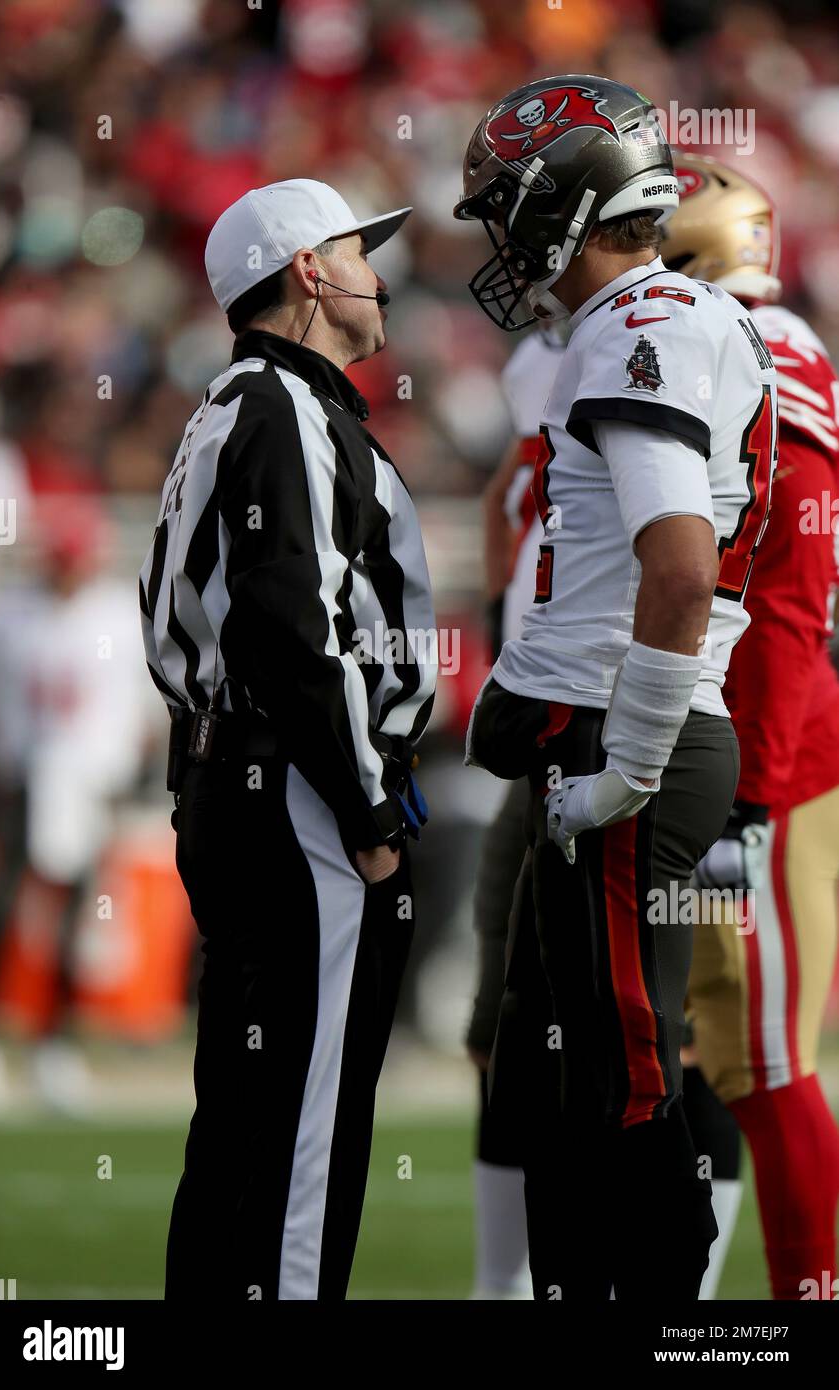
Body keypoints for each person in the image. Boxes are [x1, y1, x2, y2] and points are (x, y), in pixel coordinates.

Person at [454, 75, 777, 1299]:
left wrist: (626, 764)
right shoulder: (639, 317)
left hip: (623, 732)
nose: (498, 234)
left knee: (621, 1074)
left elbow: (680, 572)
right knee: (560, 1072)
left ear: (566, 203)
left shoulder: (645, 321)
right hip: (596, 724)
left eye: (508, 205)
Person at [139, 179, 437, 1301]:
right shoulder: (280, 406)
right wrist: (369, 811)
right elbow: (290, 622)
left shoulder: (232, 406)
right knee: (304, 1138)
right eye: (359, 252)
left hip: (243, 782)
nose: (378, 276)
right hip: (302, 797)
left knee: (240, 1126)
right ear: (309, 271)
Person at [663, 153, 839, 1301]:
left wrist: (748, 793)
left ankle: (806, 1300)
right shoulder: (765, 341)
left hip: (765, 758)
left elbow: (786, 592)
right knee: (715, 1052)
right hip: (737, 745)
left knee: (764, 1060)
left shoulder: (752, 354)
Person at [467, 320, 567, 1300]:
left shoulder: (659, 350)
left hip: (612, 740)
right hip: (534, 751)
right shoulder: (542, 363)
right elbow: (505, 505)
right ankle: (498, 1285)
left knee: (651, 1046)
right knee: (499, 1028)